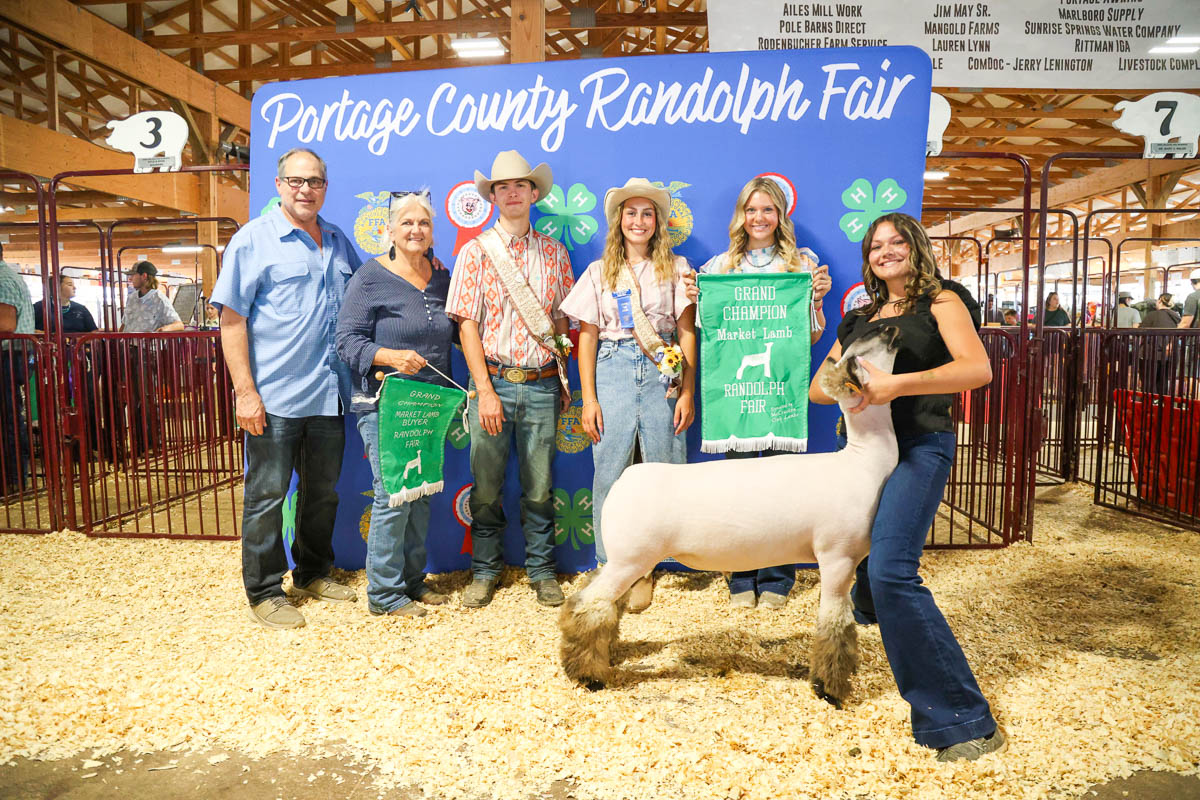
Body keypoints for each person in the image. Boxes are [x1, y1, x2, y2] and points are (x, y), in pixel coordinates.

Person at [809, 212, 1003, 762]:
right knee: (868, 564)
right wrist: (840, 380)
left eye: (896, 242)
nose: (886, 251)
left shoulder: (942, 302)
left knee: (893, 569)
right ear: (868, 258)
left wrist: (897, 385)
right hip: (862, 456)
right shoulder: (857, 319)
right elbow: (820, 393)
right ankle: (876, 617)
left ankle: (963, 718)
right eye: (876, 246)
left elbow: (977, 369)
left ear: (916, 248)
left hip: (920, 445)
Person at [212, 147, 361, 630]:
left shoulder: (337, 240)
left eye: (314, 181)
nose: (305, 189)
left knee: (322, 493)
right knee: (266, 495)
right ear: (279, 185)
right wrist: (244, 392)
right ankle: (263, 590)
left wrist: (420, 264)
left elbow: (367, 293)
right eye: (296, 180)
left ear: (324, 186)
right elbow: (231, 322)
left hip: (329, 392)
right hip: (273, 396)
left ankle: (313, 571)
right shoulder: (252, 241)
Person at [686, 176, 833, 609]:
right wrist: (700, 301)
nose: (759, 217)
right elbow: (715, 337)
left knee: (781, 489)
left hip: (780, 391)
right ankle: (740, 575)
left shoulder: (801, 266)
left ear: (780, 216)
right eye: (752, 209)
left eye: (768, 209)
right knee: (738, 488)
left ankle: (777, 577)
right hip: (735, 393)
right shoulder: (719, 268)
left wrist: (816, 302)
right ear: (741, 216)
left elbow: (806, 338)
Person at [559, 178, 697, 610]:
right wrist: (590, 398)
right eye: (631, 213)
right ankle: (610, 563)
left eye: (647, 213)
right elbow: (587, 337)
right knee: (610, 469)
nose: (639, 221)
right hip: (614, 365)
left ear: (658, 222)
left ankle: (647, 568)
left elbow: (688, 331)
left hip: (665, 368)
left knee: (664, 466)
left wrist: (688, 391)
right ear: (619, 221)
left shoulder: (678, 268)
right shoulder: (600, 272)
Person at [446, 150, 575, 609]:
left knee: (540, 485)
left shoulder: (556, 254)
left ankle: (541, 569)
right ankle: (485, 569)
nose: (513, 192)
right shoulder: (476, 252)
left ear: (534, 193)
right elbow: (466, 326)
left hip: (541, 383)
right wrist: (484, 391)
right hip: (494, 382)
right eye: (503, 187)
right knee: (485, 484)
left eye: (521, 185)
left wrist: (561, 375)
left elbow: (561, 323)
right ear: (493, 196)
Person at [335, 191, 454, 619]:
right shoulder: (370, 278)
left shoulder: (441, 277)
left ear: (432, 233)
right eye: (406, 223)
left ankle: (412, 581)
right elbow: (346, 341)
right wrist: (389, 357)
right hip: (383, 401)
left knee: (419, 492)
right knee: (391, 494)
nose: (415, 230)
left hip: (429, 404)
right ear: (388, 231)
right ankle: (384, 594)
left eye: (423, 223)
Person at [0, 244, 35, 494]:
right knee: (11, 415)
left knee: (8, 417)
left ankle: (12, 478)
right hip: (14, 354)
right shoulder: (10, 276)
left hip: (6, 354)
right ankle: (14, 477)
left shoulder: (2, 279)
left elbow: (5, 324)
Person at [120, 261, 183, 333]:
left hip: (147, 344)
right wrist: (118, 341)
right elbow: (124, 324)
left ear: (144, 276)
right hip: (128, 343)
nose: (130, 279)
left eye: (133, 275)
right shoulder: (132, 298)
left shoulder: (159, 299)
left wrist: (163, 329)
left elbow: (179, 325)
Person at [33, 275, 98, 334]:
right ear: (56, 287)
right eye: (70, 285)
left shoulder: (81, 308)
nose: (74, 287)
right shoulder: (40, 307)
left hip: (78, 346)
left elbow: (93, 331)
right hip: (51, 345)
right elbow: (29, 328)